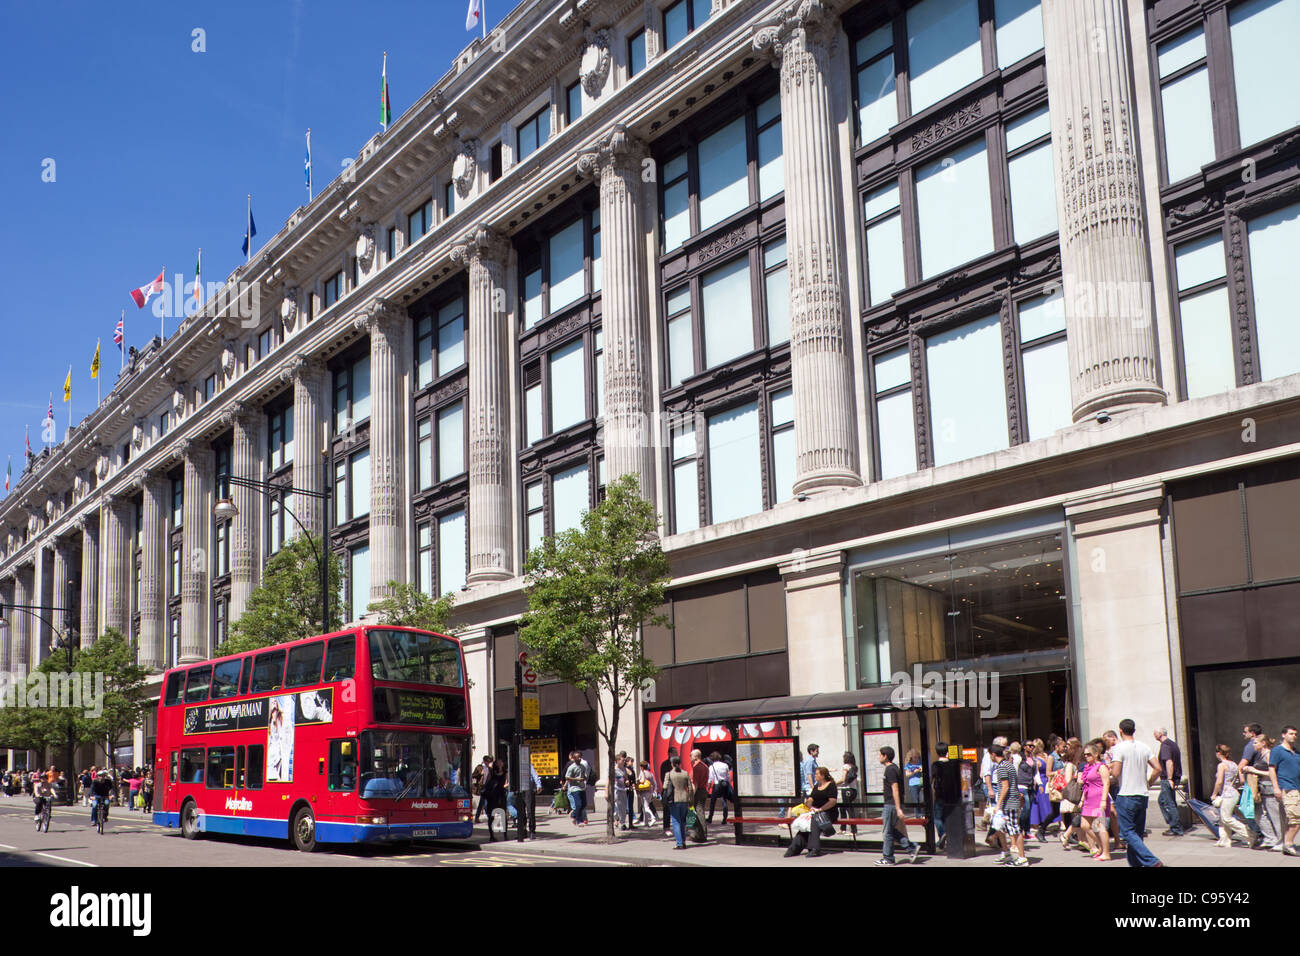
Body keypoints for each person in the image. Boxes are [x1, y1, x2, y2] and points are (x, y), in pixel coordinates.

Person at [1109, 718, 1163, 867]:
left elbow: (1116, 772)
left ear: (1120, 730)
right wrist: (1149, 783)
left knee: (1127, 833)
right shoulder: (1144, 747)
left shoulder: (1118, 748)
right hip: (1142, 794)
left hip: (1126, 794)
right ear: (1134, 730)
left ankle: (1152, 861)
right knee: (1137, 835)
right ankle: (1135, 864)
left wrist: (1110, 770)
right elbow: (1158, 768)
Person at [876, 746, 921, 866]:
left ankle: (888, 858)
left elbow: (895, 789)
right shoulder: (894, 768)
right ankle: (911, 847)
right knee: (891, 830)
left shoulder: (890, 769)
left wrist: (897, 807)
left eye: (880, 755)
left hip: (891, 804)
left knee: (887, 832)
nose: (878, 757)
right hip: (892, 804)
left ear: (885, 756)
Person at [786, 766, 839, 858]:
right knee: (805, 825)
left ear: (823, 776)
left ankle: (814, 848)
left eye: (817, 774)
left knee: (814, 821)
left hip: (828, 812)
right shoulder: (816, 786)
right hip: (816, 812)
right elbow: (811, 799)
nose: (815, 776)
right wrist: (809, 804)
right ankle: (794, 848)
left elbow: (832, 801)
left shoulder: (831, 785)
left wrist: (820, 809)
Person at [1243, 732, 1281, 850]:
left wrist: (1254, 771)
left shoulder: (1268, 754)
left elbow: (1272, 772)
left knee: (1274, 814)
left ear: (1263, 743)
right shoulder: (1260, 754)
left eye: (1255, 742)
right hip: (1261, 788)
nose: (1253, 745)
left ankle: (1280, 840)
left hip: (1269, 787)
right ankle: (1270, 837)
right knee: (1259, 813)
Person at [1266, 725, 1300, 856]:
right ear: (1283, 735)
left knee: (1290, 819)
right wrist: (1275, 787)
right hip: (1287, 788)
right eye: (1291, 733)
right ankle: (1288, 844)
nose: (1294, 736)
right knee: (1296, 819)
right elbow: (1271, 769)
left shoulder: (1296, 752)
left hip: (1297, 788)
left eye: (1295, 734)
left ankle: (1286, 843)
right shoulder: (1277, 751)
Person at [990, 743, 1026, 866]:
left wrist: (998, 804)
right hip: (1010, 802)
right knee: (1000, 827)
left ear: (993, 755)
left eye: (990, 755)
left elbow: (1005, 786)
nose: (990, 757)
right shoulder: (1008, 765)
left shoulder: (1002, 767)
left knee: (1015, 829)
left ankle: (1022, 858)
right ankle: (1006, 852)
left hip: (1009, 803)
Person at [1211, 743, 1251, 848]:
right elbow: (1242, 781)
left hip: (1227, 795)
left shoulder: (1221, 765)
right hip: (1234, 793)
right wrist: (1233, 787)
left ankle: (1249, 835)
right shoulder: (1234, 764)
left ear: (1219, 753)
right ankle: (1224, 839)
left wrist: (1214, 794)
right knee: (1222, 818)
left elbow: (1219, 782)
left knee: (1226, 818)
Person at [1078, 742, 1111, 861]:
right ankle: (1101, 846)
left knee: (1099, 826)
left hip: (1098, 798)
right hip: (1088, 799)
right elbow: (1086, 786)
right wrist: (1082, 799)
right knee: (1084, 825)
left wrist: (1103, 800)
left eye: (1089, 754)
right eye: (1085, 755)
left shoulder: (1101, 766)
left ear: (1096, 754)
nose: (1086, 757)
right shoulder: (1088, 767)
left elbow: (1106, 783)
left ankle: (1106, 853)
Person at [1152, 728, 1185, 836]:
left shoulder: (1165, 745)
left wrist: (1169, 778)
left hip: (1167, 779)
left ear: (1160, 734)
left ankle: (1175, 827)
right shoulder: (1172, 744)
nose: (1153, 735)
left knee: (1168, 803)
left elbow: (1169, 762)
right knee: (1163, 801)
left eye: (1155, 733)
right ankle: (1174, 823)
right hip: (1173, 778)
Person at [1239, 722, 1265, 846]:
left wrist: (1239, 777)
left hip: (1252, 781)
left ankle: (1259, 833)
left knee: (1246, 808)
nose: (1243, 734)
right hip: (1259, 781)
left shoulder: (1250, 746)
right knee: (1258, 810)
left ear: (1252, 733)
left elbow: (1242, 764)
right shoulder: (1260, 746)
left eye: (1245, 732)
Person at [1055, 738, 1082, 849]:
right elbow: (1067, 780)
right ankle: (1067, 835)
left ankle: (1080, 840)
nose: (1067, 747)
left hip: (1073, 792)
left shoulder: (1074, 762)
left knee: (1078, 815)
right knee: (1079, 816)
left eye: (1069, 745)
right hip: (1073, 792)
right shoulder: (1070, 764)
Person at [662, 755, 694, 850]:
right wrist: (691, 799)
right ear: (679, 763)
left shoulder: (669, 774)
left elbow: (664, 787)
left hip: (674, 800)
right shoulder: (685, 773)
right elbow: (691, 788)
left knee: (676, 822)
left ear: (671, 764)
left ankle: (679, 843)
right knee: (683, 821)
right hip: (684, 799)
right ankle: (683, 841)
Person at [484, 757, 509, 842]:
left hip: (501, 795)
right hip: (492, 796)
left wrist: (502, 786)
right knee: (491, 816)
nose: (499, 763)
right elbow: (487, 783)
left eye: (500, 762)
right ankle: (492, 836)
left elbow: (507, 783)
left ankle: (505, 835)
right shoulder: (492, 772)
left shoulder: (505, 772)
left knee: (503, 815)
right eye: (498, 762)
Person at [707, 751, 733, 825]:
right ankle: (724, 818)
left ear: (712, 758)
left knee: (712, 802)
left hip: (716, 785)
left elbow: (710, 779)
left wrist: (708, 789)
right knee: (724, 801)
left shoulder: (711, 767)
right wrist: (726, 783)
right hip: (724, 784)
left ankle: (710, 818)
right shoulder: (725, 765)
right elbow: (728, 776)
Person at [564, 751, 589, 827]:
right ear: (574, 758)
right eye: (578, 757)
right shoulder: (571, 767)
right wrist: (577, 779)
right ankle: (579, 821)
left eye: (580, 756)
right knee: (578, 804)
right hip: (574, 788)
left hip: (582, 787)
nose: (580, 758)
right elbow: (567, 777)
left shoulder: (582, 766)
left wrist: (584, 778)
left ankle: (574, 814)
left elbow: (584, 775)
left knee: (584, 804)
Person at [837, 752, 859, 835]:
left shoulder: (846, 766)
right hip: (853, 790)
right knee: (843, 808)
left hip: (846, 790)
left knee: (849, 810)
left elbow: (843, 779)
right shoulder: (854, 767)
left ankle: (853, 830)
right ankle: (843, 828)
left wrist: (834, 784)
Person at [689, 749, 709, 837]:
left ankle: (701, 833)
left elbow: (695, 783)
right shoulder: (705, 766)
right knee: (700, 810)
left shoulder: (696, 767)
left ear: (696, 757)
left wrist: (691, 795)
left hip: (699, 791)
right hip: (703, 790)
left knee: (698, 811)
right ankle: (701, 832)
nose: (689, 757)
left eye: (691, 755)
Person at [659, 747, 677, 835]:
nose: (676, 754)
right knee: (667, 810)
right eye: (675, 753)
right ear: (670, 753)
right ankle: (666, 828)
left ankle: (676, 827)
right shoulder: (665, 764)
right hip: (668, 790)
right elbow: (663, 778)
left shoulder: (677, 765)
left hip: (676, 790)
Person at [611, 753, 630, 830]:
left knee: (623, 806)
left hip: (623, 790)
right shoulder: (614, 770)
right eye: (622, 760)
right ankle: (616, 820)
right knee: (618, 806)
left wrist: (627, 781)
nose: (624, 762)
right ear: (617, 760)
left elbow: (626, 777)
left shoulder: (623, 769)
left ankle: (622, 823)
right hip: (616, 790)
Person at [635, 760, 657, 827]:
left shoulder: (642, 772)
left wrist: (637, 781)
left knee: (646, 807)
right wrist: (653, 791)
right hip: (650, 792)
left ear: (642, 767)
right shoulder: (650, 773)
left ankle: (653, 818)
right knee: (644, 807)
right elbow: (654, 783)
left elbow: (641, 781)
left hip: (643, 792)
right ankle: (646, 822)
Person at [472, 755, 492, 823]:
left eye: (489, 761)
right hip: (481, 787)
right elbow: (473, 775)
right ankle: (489, 817)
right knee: (485, 803)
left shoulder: (489, 769)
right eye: (487, 761)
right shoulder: (479, 767)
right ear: (484, 761)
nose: (488, 763)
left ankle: (477, 817)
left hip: (486, 787)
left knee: (482, 803)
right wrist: (480, 774)